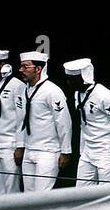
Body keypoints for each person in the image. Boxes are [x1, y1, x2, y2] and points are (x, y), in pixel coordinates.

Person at [64, 58, 110, 185]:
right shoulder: (78, 94)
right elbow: (84, 124)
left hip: (107, 152)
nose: (69, 82)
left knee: (106, 193)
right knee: (81, 192)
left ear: (84, 77)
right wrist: (82, 149)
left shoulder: (103, 95)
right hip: (87, 152)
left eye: (72, 79)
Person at [17, 51, 71, 192]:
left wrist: (65, 151)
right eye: (21, 66)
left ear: (38, 69)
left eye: (25, 67)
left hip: (47, 150)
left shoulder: (52, 91)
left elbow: (63, 122)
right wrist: (20, 145)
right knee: (28, 196)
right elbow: (21, 120)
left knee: (43, 194)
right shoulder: (24, 90)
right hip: (29, 149)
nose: (21, 70)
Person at [0, 49, 26, 194]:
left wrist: (20, 146)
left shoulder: (16, 85)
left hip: (9, 145)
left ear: (3, 66)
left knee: (12, 190)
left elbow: (22, 118)